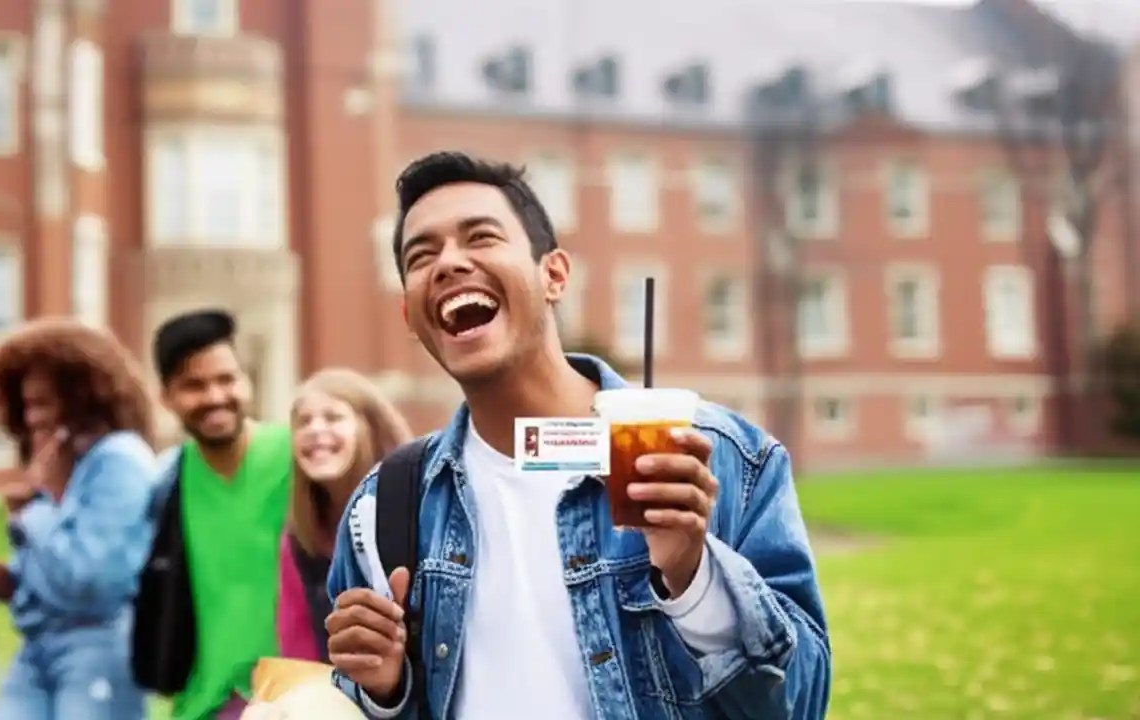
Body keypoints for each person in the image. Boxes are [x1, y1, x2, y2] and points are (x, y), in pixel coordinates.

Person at [324, 152, 832, 719]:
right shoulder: (383, 506)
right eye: (422, 255)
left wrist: (694, 575)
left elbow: (802, 703)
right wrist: (384, 692)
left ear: (554, 275)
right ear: (410, 318)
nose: (448, 263)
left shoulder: (722, 459)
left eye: (481, 237)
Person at [0, 318, 157, 720]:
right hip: (37, 647)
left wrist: (38, 508)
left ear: (82, 398)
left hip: (97, 650)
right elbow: (59, 566)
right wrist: (13, 581)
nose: (32, 419)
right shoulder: (74, 467)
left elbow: (91, 580)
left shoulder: (120, 460)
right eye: (26, 406)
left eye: (43, 403)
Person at [132, 309, 295, 720]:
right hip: (203, 706)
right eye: (195, 385)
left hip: (297, 698)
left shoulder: (297, 458)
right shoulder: (167, 482)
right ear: (165, 396)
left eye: (227, 379)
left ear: (247, 380)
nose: (216, 397)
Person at [277, 368, 414, 661]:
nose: (315, 429)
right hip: (333, 696)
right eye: (303, 422)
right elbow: (298, 651)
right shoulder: (299, 541)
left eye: (333, 417)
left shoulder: (415, 511)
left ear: (371, 428)